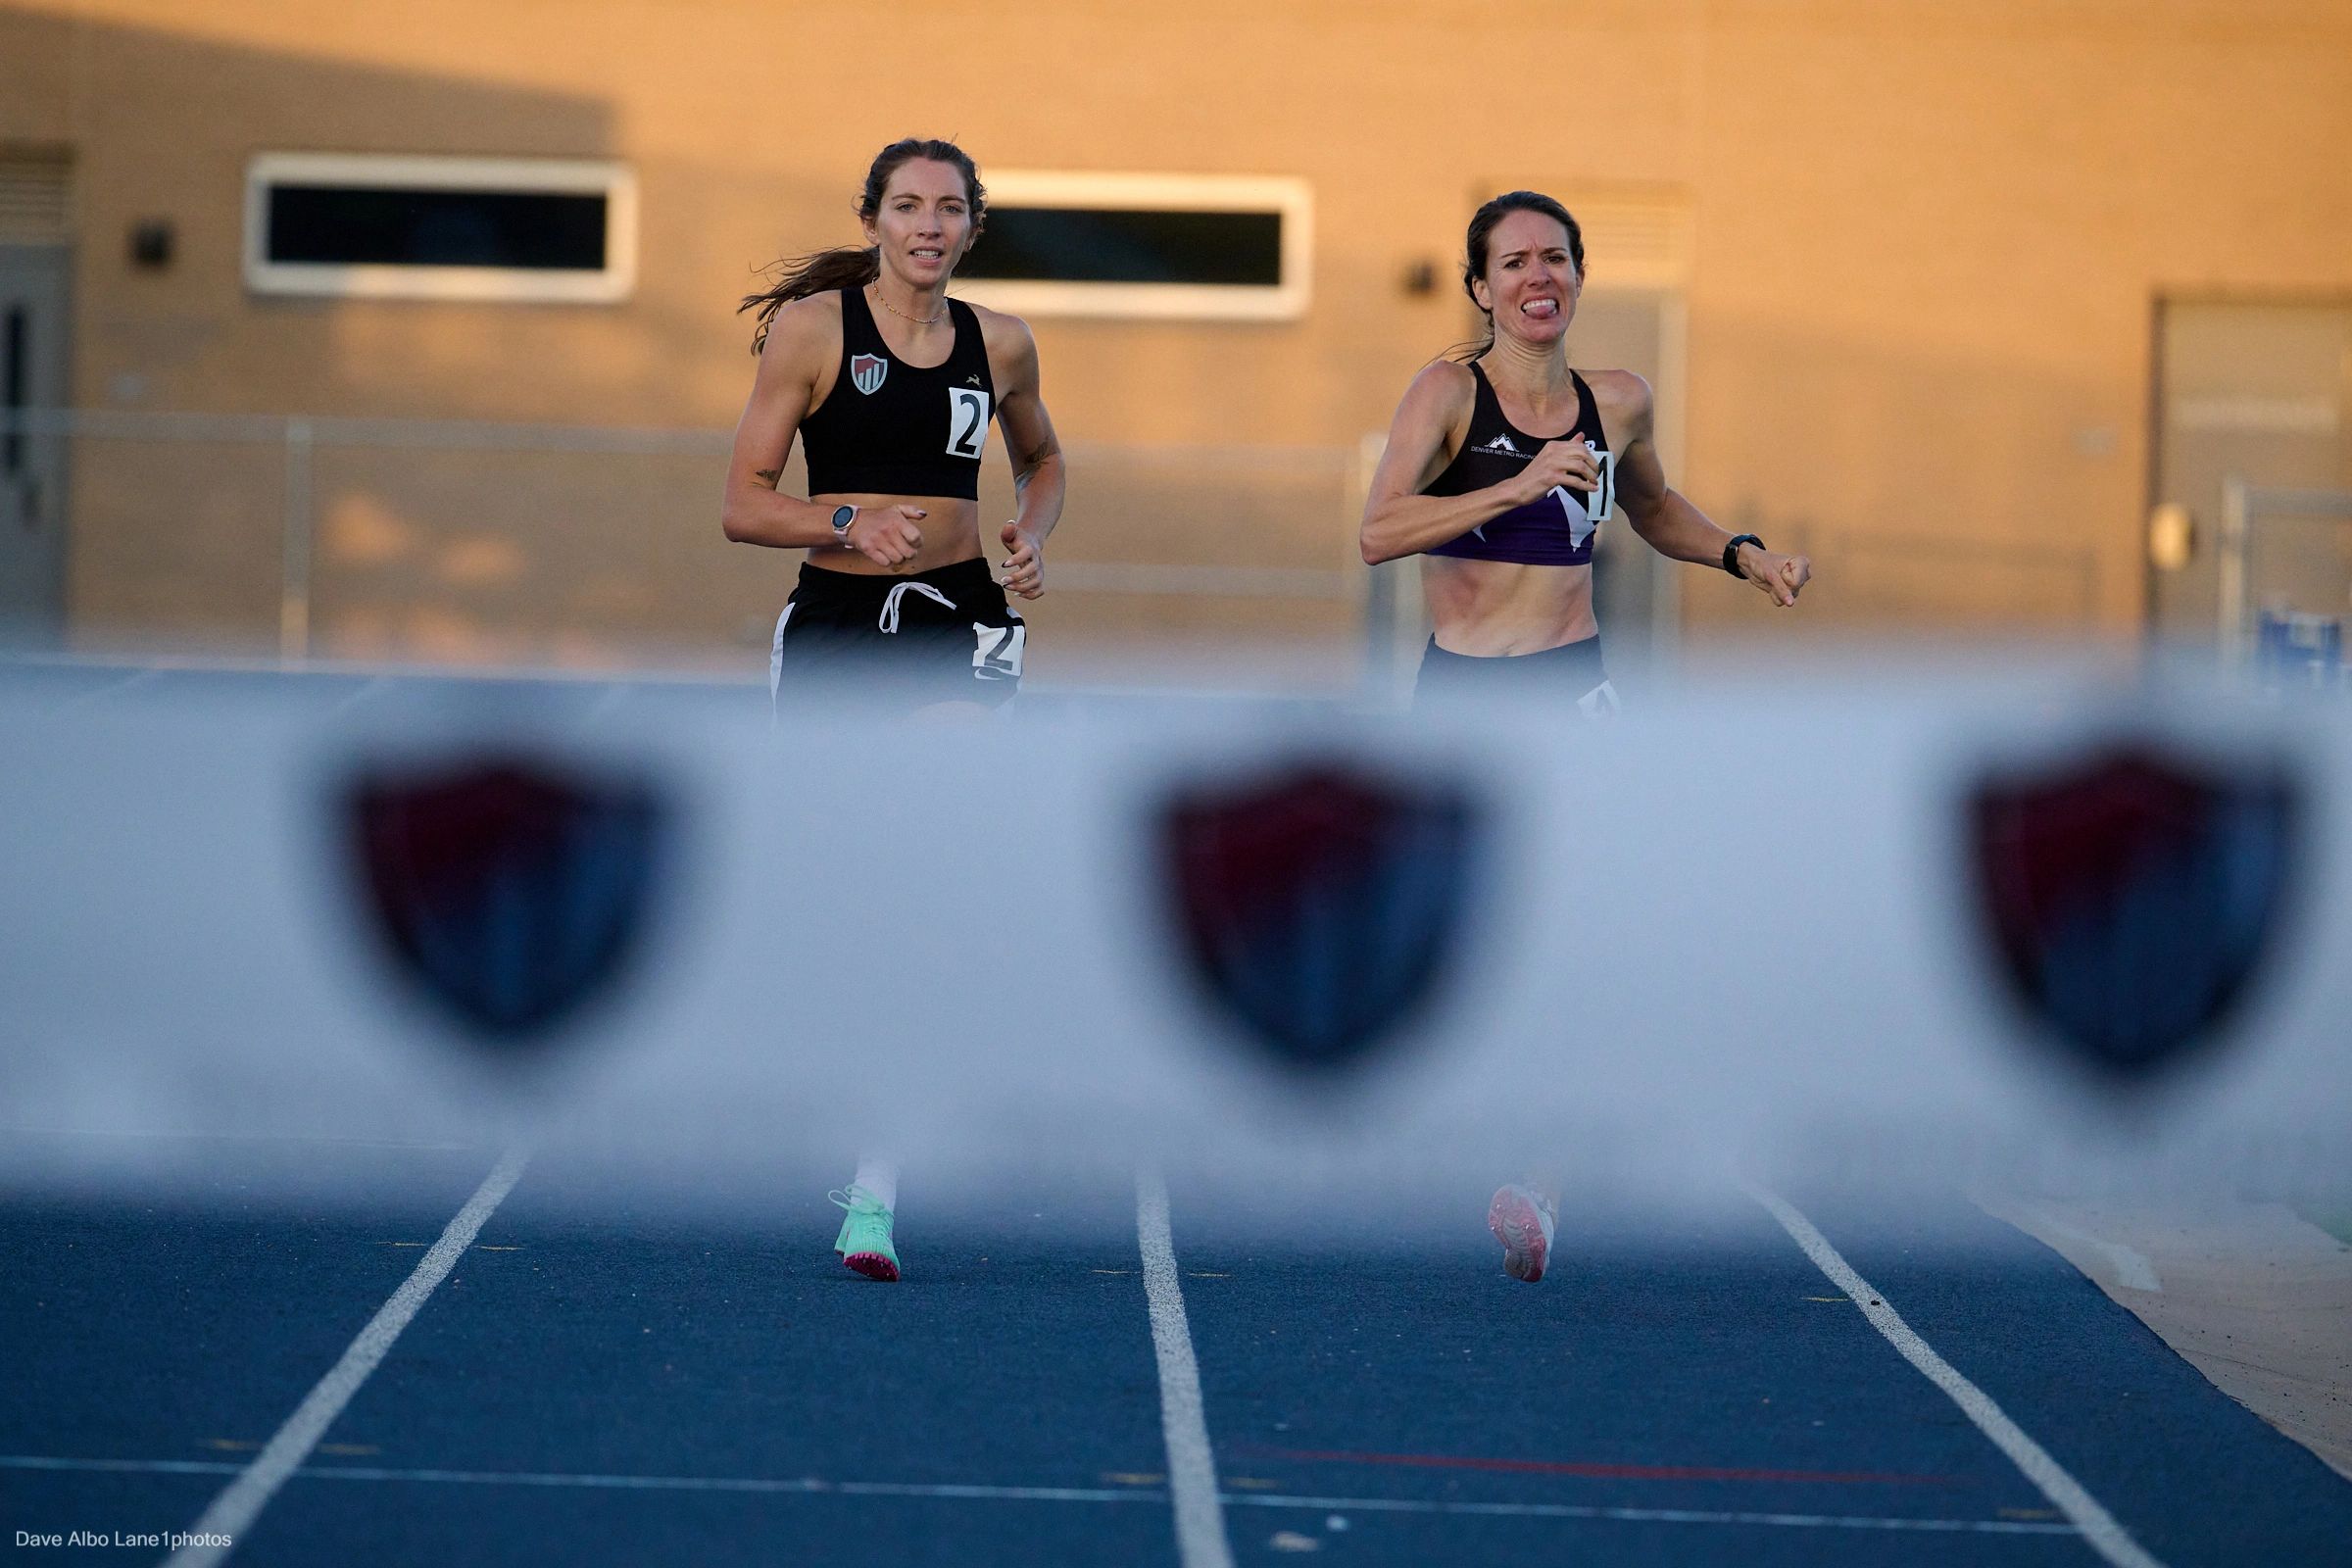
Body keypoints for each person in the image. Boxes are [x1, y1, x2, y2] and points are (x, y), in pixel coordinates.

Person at [1357, 190, 1812, 1281]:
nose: (1535, 276)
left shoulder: (1620, 402)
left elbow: (1653, 511)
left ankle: (1542, 1188)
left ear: (1578, 275)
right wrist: (1512, 482)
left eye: (1553, 257)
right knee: (1456, 937)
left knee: (1589, 936)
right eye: (1512, 262)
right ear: (1480, 289)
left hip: (1576, 690)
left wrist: (1743, 553)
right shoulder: (1447, 394)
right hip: (1463, 696)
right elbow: (1378, 531)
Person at [720, 136, 1065, 1281]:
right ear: (872, 218)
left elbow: (1046, 461)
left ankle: (876, 1186)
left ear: (973, 227)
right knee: (833, 885)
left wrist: (1030, 534)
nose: (928, 224)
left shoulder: (1001, 342)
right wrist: (843, 524)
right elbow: (741, 503)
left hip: (961, 623)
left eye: (949, 208)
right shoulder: (814, 333)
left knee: (936, 873)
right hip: (833, 625)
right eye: (907, 205)